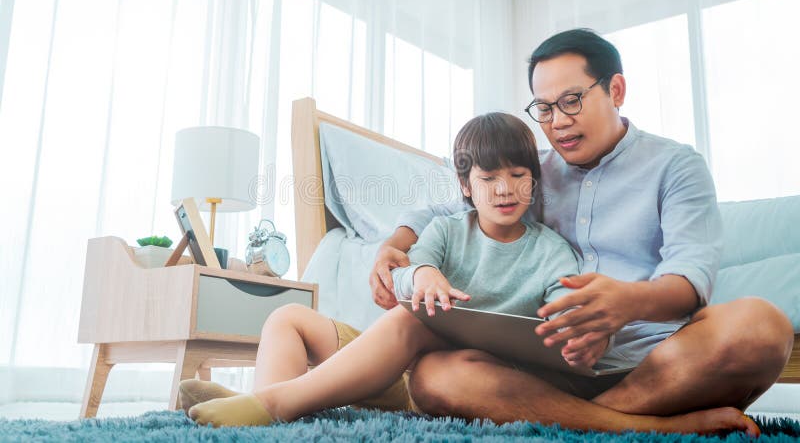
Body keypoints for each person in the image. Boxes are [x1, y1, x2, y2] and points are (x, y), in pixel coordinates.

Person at [368, 29, 794, 435]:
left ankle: (574, 420)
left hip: (659, 364)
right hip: (549, 367)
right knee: (433, 376)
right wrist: (394, 247)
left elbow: (691, 280)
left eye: (571, 101)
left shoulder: (676, 166)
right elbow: (446, 208)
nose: (558, 122)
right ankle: (646, 427)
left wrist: (627, 303)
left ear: (616, 91)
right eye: (545, 108)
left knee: (761, 326)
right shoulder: (529, 173)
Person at [180, 112, 607, 428]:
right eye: (489, 177)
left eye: (518, 175)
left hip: (456, 377)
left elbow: (564, 303)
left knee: (410, 321)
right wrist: (421, 276)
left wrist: (570, 321)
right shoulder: (444, 229)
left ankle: (271, 403)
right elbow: (407, 269)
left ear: (534, 181)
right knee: (286, 318)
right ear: (465, 186)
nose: (505, 188)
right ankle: (265, 408)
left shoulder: (552, 251)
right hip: (387, 369)